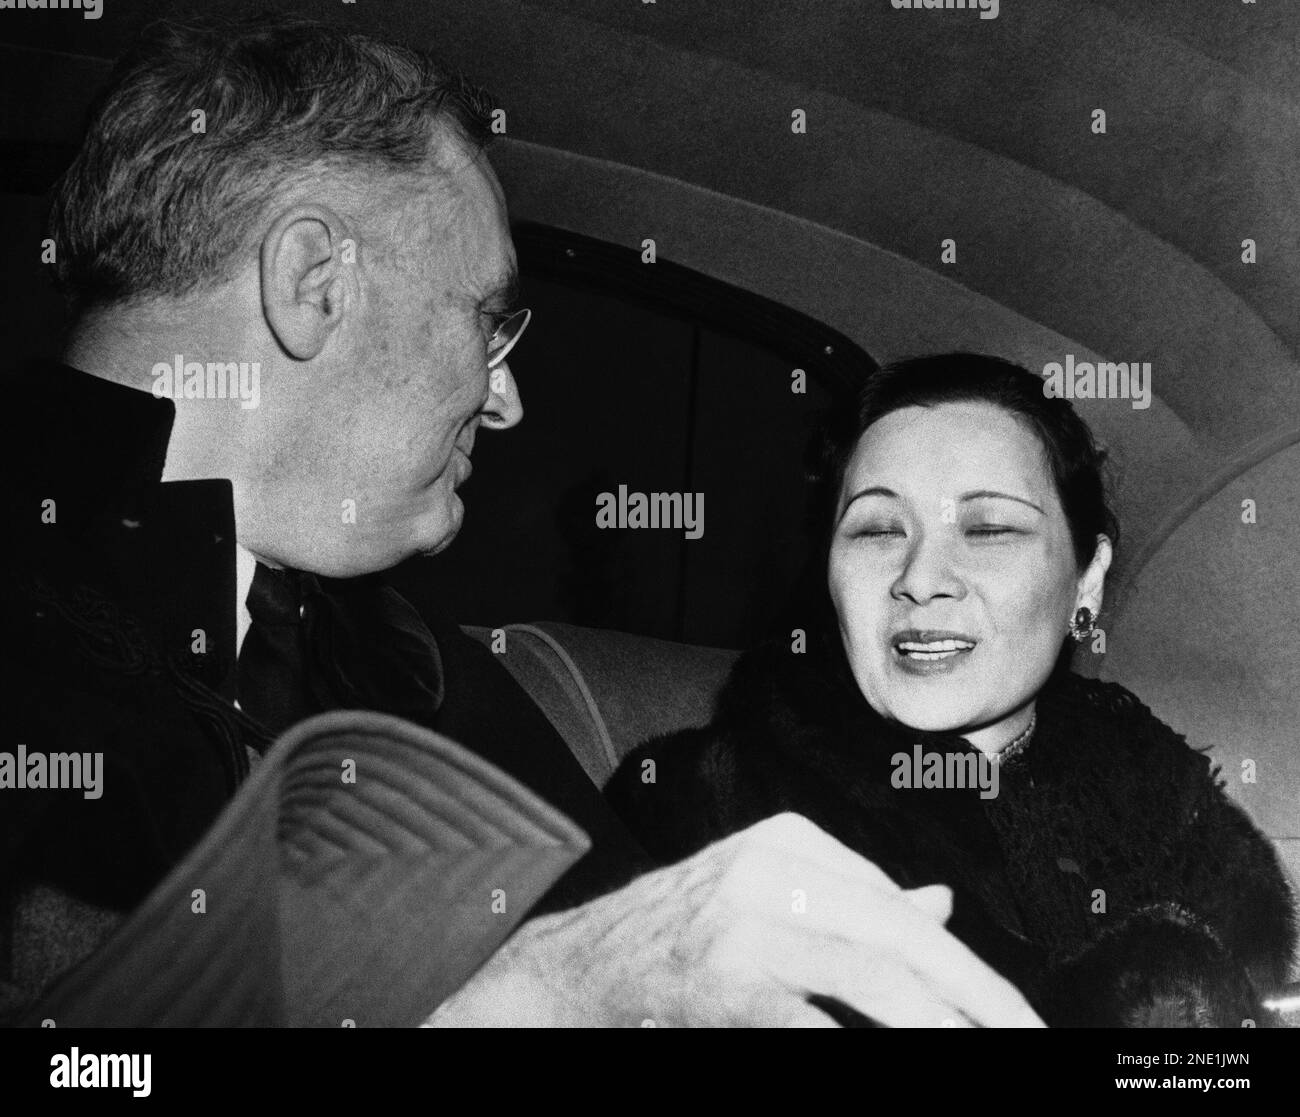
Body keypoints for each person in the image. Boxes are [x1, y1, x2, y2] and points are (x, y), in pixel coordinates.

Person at [1, 18, 1043, 1028]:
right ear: (311, 282)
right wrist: (529, 1000)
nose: (508, 402)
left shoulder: (393, 651)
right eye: (486, 320)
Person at [608, 353, 1297, 1027]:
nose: (921, 576)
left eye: (989, 527)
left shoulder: (1159, 793)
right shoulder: (705, 824)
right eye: (878, 528)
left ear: (1087, 578)